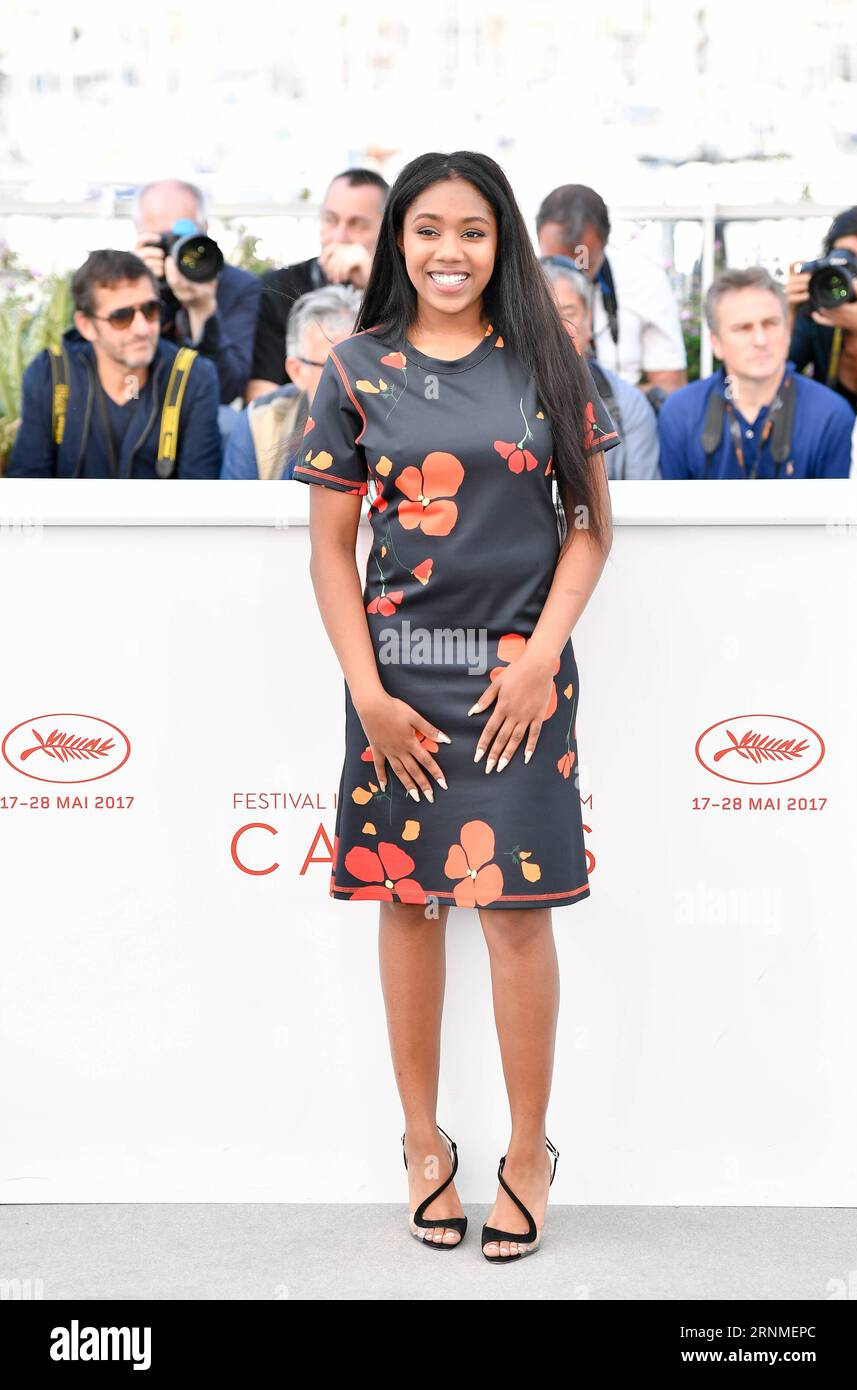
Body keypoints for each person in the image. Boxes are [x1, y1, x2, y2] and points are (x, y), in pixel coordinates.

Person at [292, 150, 619, 1262]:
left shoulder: (547, 362)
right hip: (398, 690)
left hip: (520, 685)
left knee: (517, 918)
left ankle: (527, 1154)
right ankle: (422, 1142)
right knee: (408, 907)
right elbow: (331, 556)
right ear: (398, 244)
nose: (447, 251)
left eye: (471, 231)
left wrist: (541, 660)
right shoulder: (353, 368)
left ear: (503, 244)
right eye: (425, 229)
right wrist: (367, 693)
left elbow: (588, 526)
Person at [6, 249, 221, 479]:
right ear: (86, 326)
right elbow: (28, 484)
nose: (142, 329)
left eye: (150, 310)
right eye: (121, 316)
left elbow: (199, 494)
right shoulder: (50, 373)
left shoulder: (192, 375)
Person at [658, 267, 853, 479]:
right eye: (743, 328)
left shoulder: (831, 416)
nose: (760, 340)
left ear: (788, 332)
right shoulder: (680, 414)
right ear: (716, 343)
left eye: (770, 324)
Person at [246, 168, 389, 401]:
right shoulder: (278, 289)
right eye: (331, 220)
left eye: (357, 224)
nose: (339, 236)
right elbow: (261, 401)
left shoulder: (404, 291)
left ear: (386, 232)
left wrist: (375, 286)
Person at [536, 183, 687, 395]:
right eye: (555, 262)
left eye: (581, 265)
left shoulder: (645, 280)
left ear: (605, 241)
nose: (568, 275)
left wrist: (610, 403)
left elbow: (671, 388)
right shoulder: (516, 283)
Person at [132, 178, 262, 406]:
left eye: (183, 239)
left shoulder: (238, 287)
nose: (176, 251)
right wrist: (134, 288)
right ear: (140, 236)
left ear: (206, 230)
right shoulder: (124, 284)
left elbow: (227, 391)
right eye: (164, 240)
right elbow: (118, 378)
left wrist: (202, 309)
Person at [221, 285, 362, 480]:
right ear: (296, 371)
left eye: (362, 363)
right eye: (334, 366)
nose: (352, 379)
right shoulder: (261, 421)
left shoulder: (395, 418)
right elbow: (237, 508)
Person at [539, 255, 660, 479]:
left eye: (568, 312)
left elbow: (645, 505)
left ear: (589, 319)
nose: (555, 327)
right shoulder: (496, 395)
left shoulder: (628, 404)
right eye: (541, 314)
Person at [785, 204, 857, 414]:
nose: (854, 275)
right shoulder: (821, 312)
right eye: (846, 262)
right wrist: (787, 314)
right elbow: (774, 382)